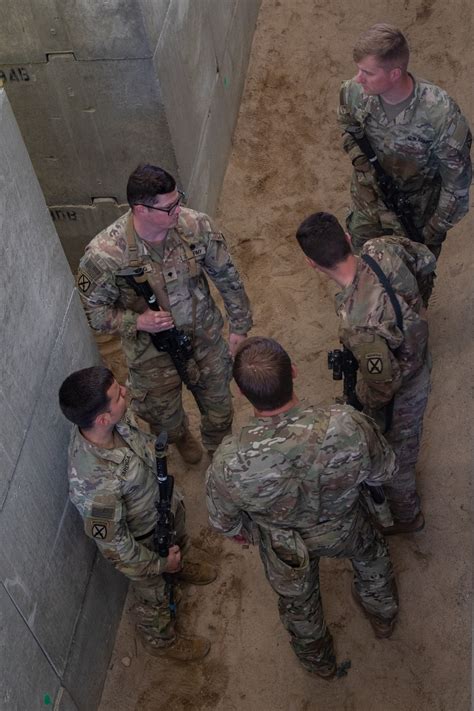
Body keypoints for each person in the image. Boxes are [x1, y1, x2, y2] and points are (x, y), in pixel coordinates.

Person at [206, 337, 399, 679]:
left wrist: (259, 533)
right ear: (294, 372)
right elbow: (386, 469)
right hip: (346, 524)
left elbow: (225, 523)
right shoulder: (346, 424)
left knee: (299, 606)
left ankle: (319, 664)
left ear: (240, 392)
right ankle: (383, 617)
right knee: (372, 560)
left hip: (284, 547)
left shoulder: (229, 462)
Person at [77, 164, 252, 464]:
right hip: (150, 353)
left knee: (220, 408)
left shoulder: (195, 227)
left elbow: (227, 277)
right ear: (141, 209)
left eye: (178, 199)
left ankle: (219, 453)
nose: (178, 209)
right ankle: (181, 437)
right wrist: (138, 321)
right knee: (163, 419)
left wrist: (239, 327)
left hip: (204, 339)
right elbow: (94, 312)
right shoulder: (105, 254)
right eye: (168, 207)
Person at [59, 366, 217, 661]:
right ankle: (162, 641)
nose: (125, 393)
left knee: (179, 546)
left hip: (163, 509)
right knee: (154, 596)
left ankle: (179, 566)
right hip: (144, 544)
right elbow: (118, 551)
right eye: (118, 395)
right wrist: (160, 566)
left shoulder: (111, 422)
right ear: (102, 418)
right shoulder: (94, 485)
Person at [296, 211, 437, 534]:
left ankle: (407, 516)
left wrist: (363, 403)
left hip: (409, 379)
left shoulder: (358, 323)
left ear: (312, 264)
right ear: (348, 238)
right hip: (418, 341)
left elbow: (384, 386)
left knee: (397, 453)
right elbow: (424, 260)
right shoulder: (380, 248)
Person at [338, 23, 471, 302]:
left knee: (412, 281)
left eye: (368, 72)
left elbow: (457, 185)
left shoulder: (441, 116)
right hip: (368, 200)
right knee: (363, 266)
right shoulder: (353, 92)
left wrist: (432, 230)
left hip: (416, 212)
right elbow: (348, 126)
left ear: (394, 73)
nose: (358, 79)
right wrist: (363, 162)